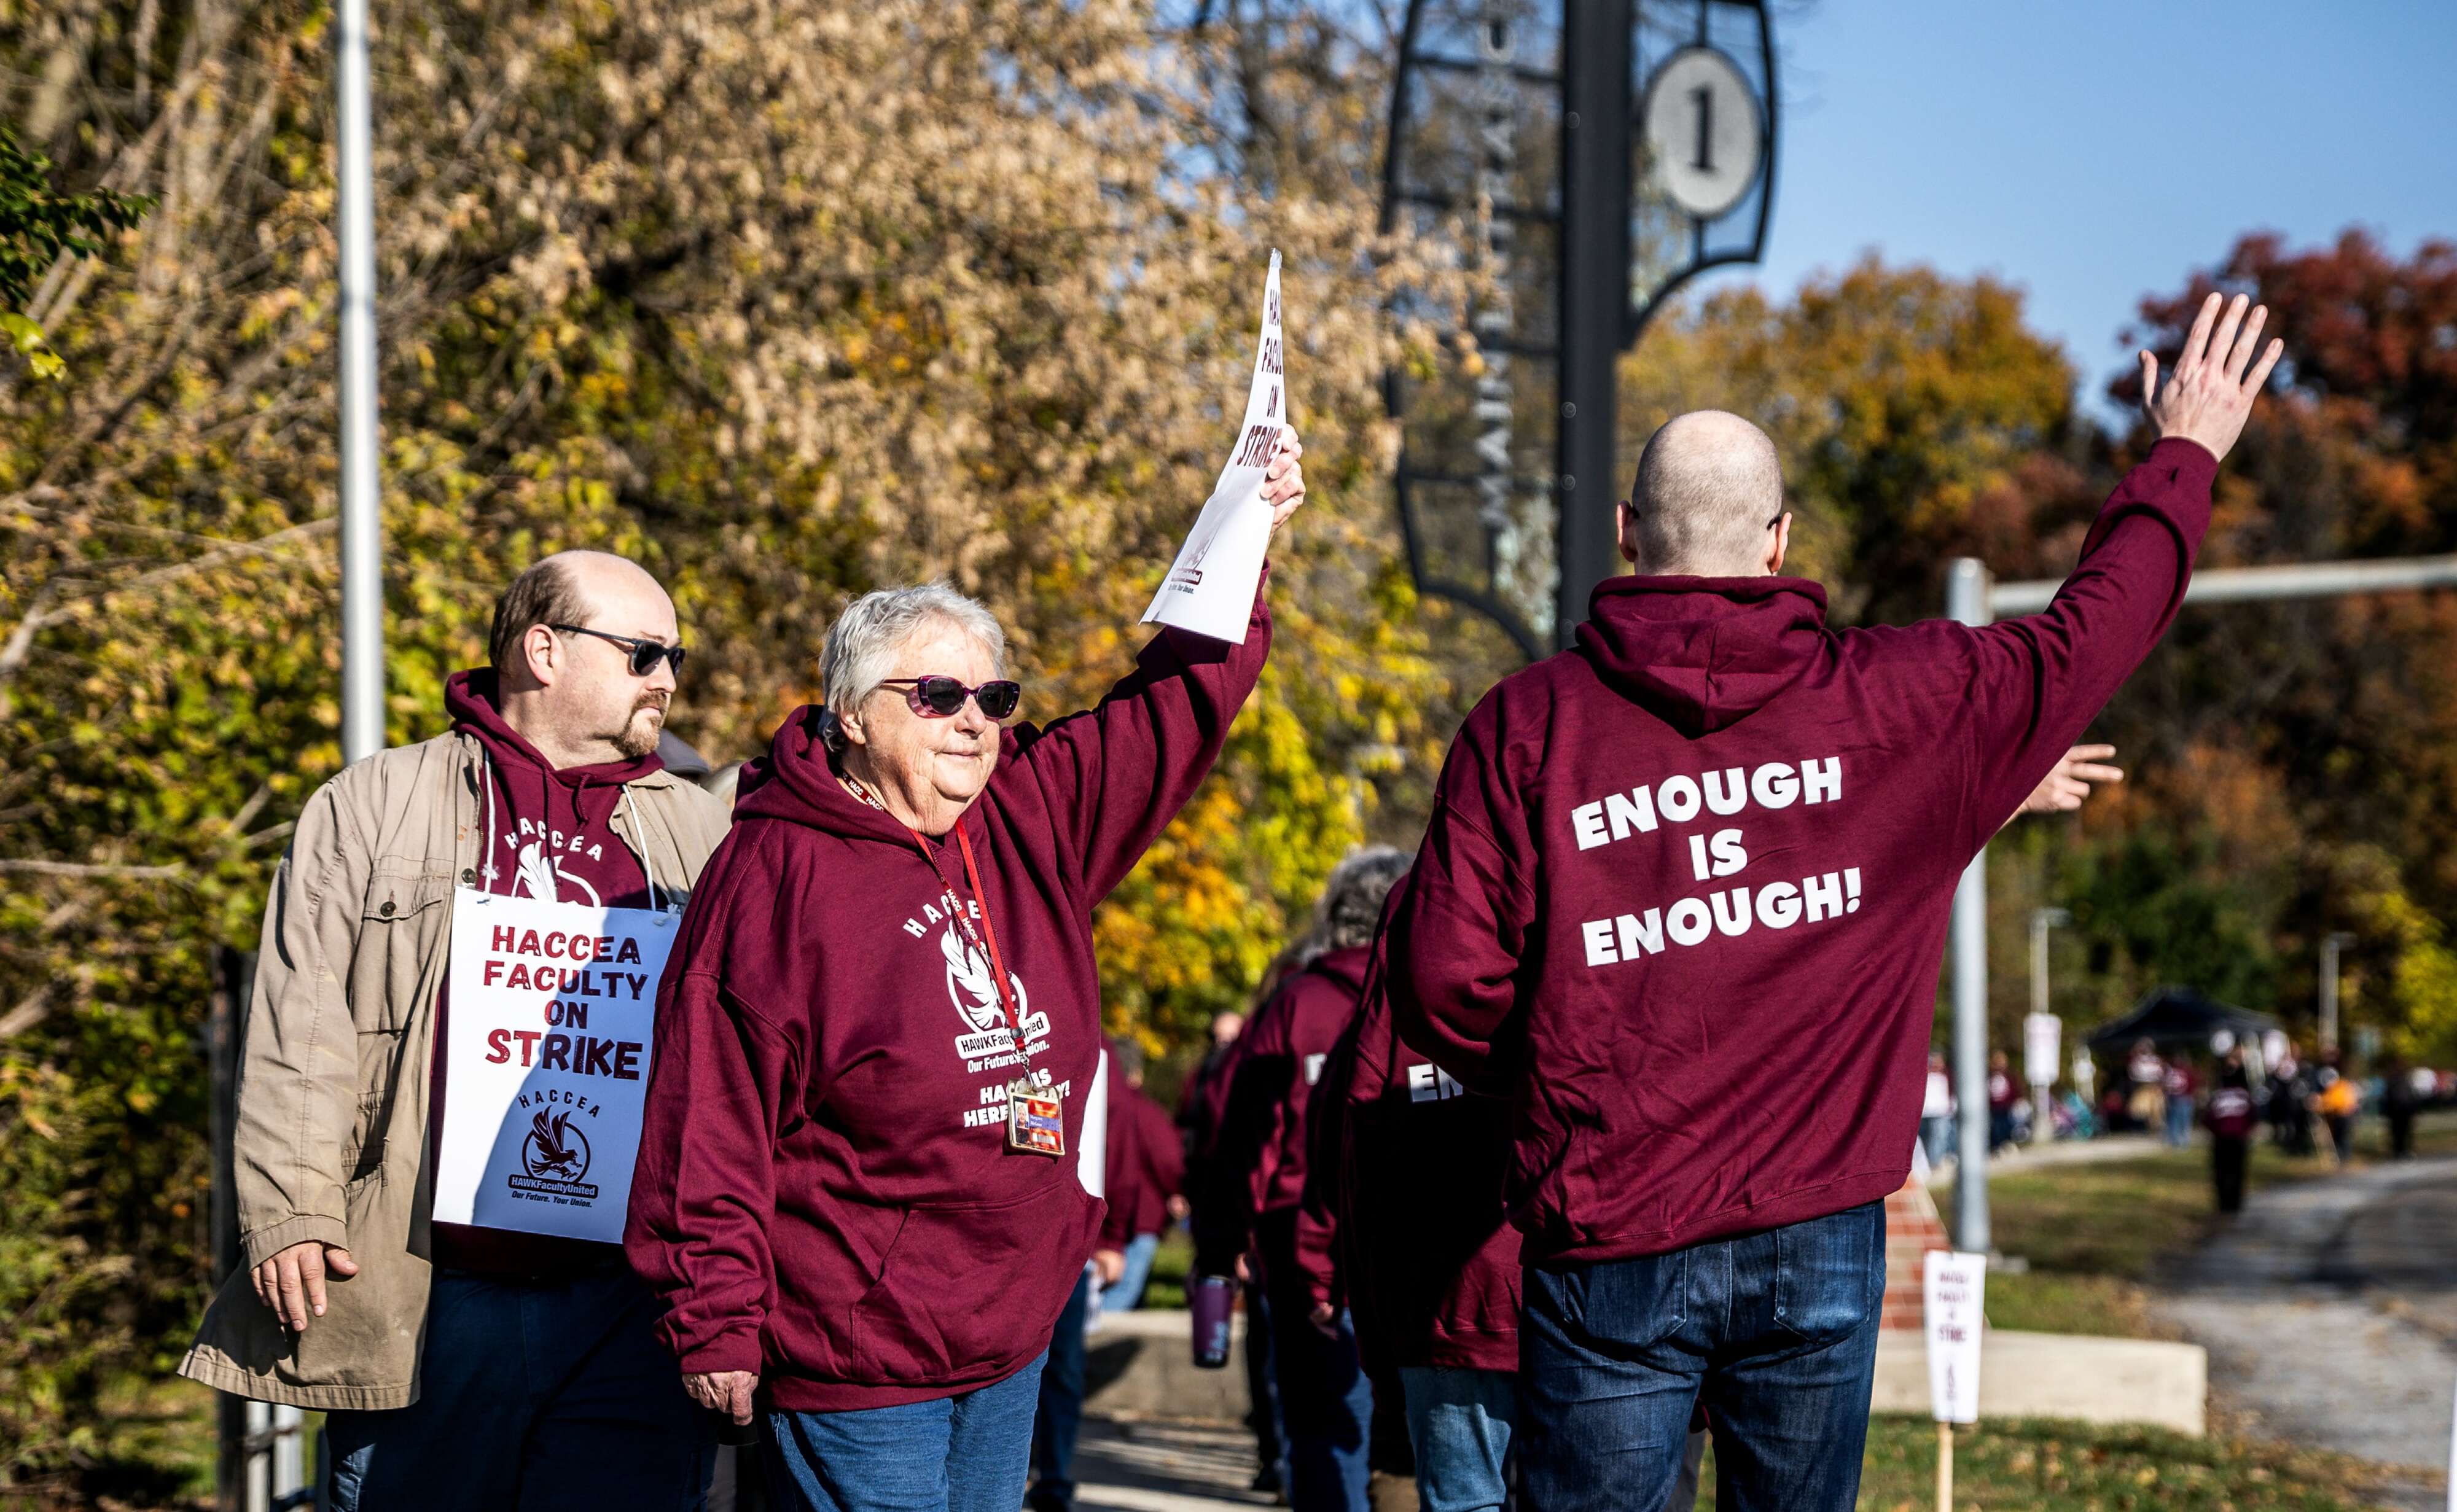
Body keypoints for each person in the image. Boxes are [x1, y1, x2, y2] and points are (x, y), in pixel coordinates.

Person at [1388, 294, 2282, 1511]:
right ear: (1776, 539)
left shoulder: (1526, 724)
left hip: (1607, 1222)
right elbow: (2092, 631)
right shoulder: (1901, 704)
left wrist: (1573, 1078)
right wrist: (2181, 456)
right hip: (1811, 1231)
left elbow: (1443, 979)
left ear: (1624, 534)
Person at [622, 434, 1308, 1512]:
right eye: (938, 695)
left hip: (1008, 1340)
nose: (975, 723)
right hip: (857, 1358)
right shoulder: (773, 871)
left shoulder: (1026, 812)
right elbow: (709, 1116)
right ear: (851, 714)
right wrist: (714, 1317)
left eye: (995, 698)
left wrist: (1246, 531)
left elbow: (1176, 703)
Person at [179, 553, 735, 1510]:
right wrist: (293, 1211)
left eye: (675, 655)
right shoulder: (373, 802)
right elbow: (300, 1021)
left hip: (630, 1302)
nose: (670, 680)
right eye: (645, 652)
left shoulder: (706, 829)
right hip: (432, 1288)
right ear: (544, 650)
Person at [1211, 849, 1415, 1512]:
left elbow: (1246, 1134)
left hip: (1299, 1238)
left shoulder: (1294, 1004)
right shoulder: (1433, 995)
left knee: (1323, 1430)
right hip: (1414, 1240)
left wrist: (1230, 1232)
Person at [1096, 1040, 1190, 1314]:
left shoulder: (1093, 1105)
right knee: (1123, 1292)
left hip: (1101, 1215)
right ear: (1136, 1073)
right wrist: (1178, 1189)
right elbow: (1168, 1159)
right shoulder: (1146, 1112)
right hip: (1141, 1217)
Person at [2203, 1050, 2257, 1214]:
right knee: (2237, 1171)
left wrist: (2216, 1131)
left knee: (2222, 1172)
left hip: (2221, 1138)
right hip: (2238, 1138)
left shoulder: (2218, 1096)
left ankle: (2224, 1203)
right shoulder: (2244, 1096)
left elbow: (2208, 1119)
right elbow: (2253, 1117)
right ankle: (2235, 1203)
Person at [2313, 1051, 2361, 1165]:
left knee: (2343, 1137)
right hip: (2335, 1113)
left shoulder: (2342, 1083)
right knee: (2337, 1136)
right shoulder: (2325, 1076)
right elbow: (2327, 1098)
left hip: (2344, 1112)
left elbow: (2344, 1097)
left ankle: (2344, 1157)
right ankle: (2340, 1155)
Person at [2383, 1056, 2424, 1161]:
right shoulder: (2402, 1081)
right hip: (2401, 1110)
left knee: (2401, 1132)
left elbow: (2411, 1096)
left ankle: (2402, 1150)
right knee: (2402, 1132)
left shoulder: (2396, 1081)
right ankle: (2401, 1151)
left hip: (2401, 1110)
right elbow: (2412, 1096)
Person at [1918, 1050, 1955, 1169]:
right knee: (1924, 1138)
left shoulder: (1946, 1076)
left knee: (1939, 1137)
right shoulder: (1923, 1075)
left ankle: (1934, 1162)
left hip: (1940, 1112)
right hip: (1925, 1112)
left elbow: (1951, 1092)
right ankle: (1925, 1162)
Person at [2125, 1038, 2168, 1136]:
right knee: (2139, 1110)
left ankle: (2155, 1130)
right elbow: (2133, 1073)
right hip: (2143, 1086)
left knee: (2157, 1110)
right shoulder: (2137, 1060)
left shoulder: (2156, 1060)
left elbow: (2161, 1073)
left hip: (2155, 1087)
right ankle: (2141, 1129)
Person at [1986, 1050, 2020, 1153]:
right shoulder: (1990, 1076)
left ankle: (2006, 1144)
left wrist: (2015, 1101)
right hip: (1994, 1108)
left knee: (2007, 1125)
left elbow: (2014, 1090)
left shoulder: (2009, 1076)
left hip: (2006, 1107)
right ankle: (1996, 1146)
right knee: (1995, 1127)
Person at [2163, 1055, 2200, 1147]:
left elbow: (2166, 1085)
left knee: (2175, 1121)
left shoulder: (2171, 1072)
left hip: (2177, 1098)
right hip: (2184, 1098)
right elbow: (2193, 1084)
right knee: (2184, 1121)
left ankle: (2176, 1141)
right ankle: (2183, 1141)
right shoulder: (2187, 1072)